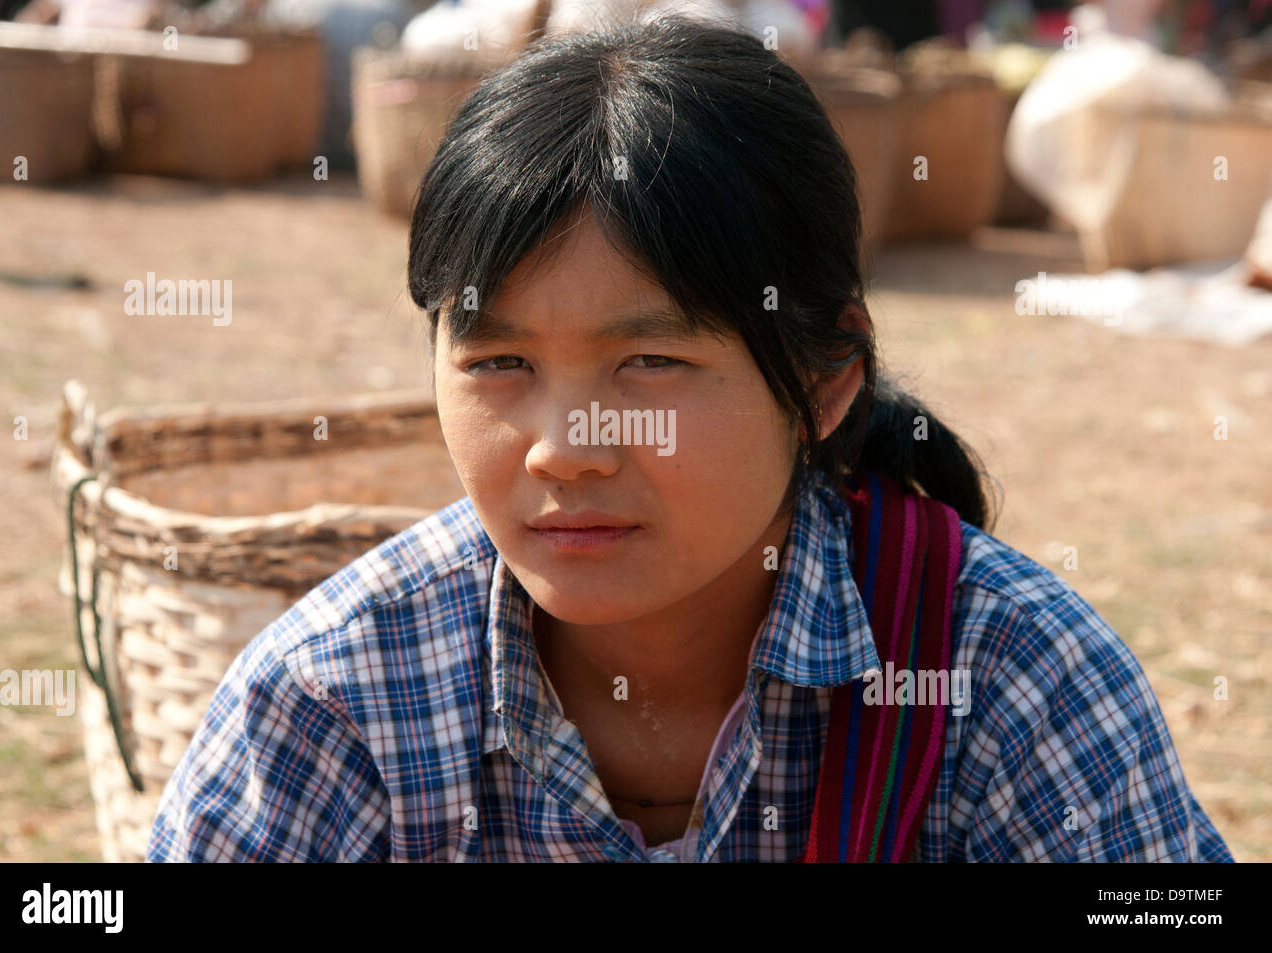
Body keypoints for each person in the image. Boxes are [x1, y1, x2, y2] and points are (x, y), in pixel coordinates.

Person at [147, 14, 1233, 862]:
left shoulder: (1006, 679)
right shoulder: (340, 697)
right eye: (497, 362)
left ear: (824, 381)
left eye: (651, 364)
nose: (563, 447)